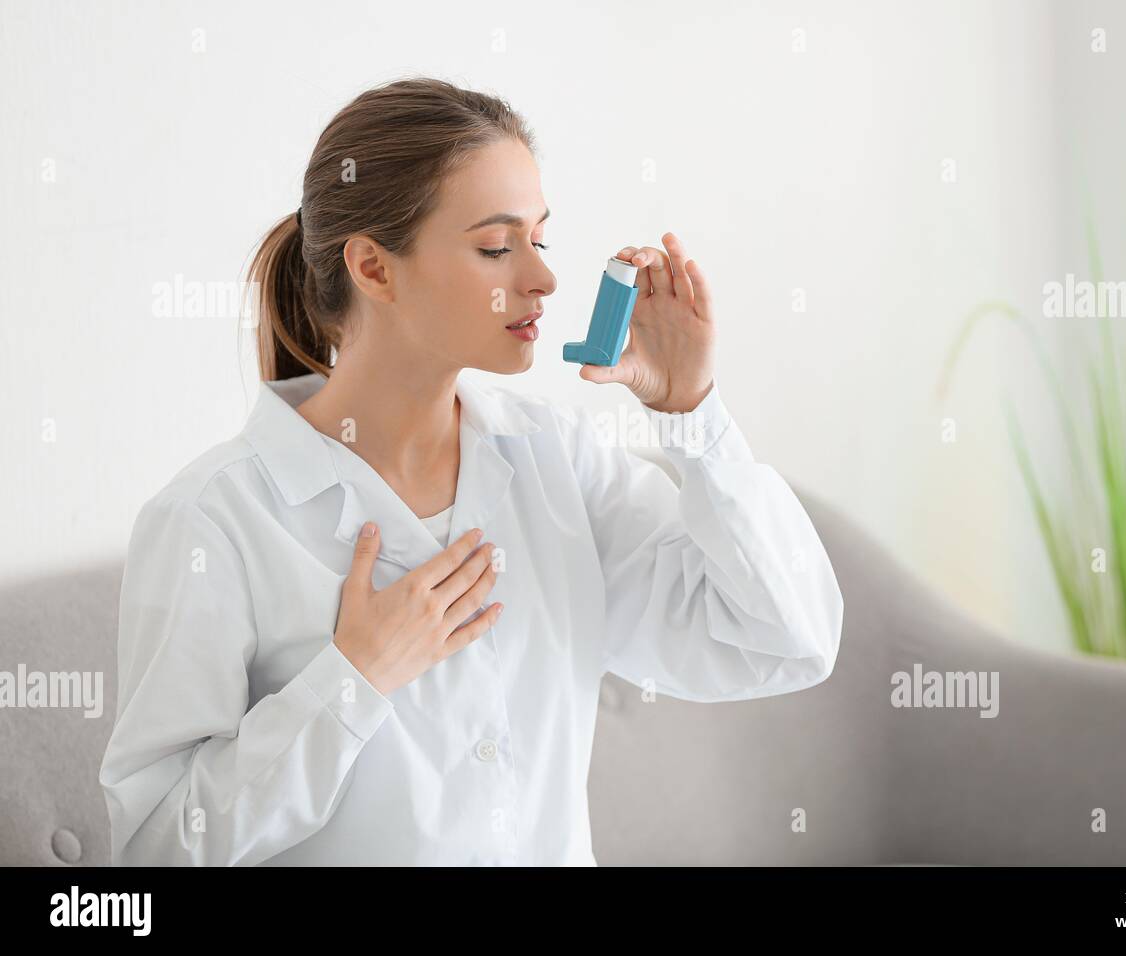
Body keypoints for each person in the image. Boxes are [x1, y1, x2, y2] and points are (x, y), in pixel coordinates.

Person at [98, 77, 844, 866]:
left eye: (540, 240)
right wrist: (353, 678)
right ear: (374, 270)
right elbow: (152, 855)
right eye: (496, 247)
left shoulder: (557, 463)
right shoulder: (215, 519)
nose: (543, 279)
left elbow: (783, 641)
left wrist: (693, 415)